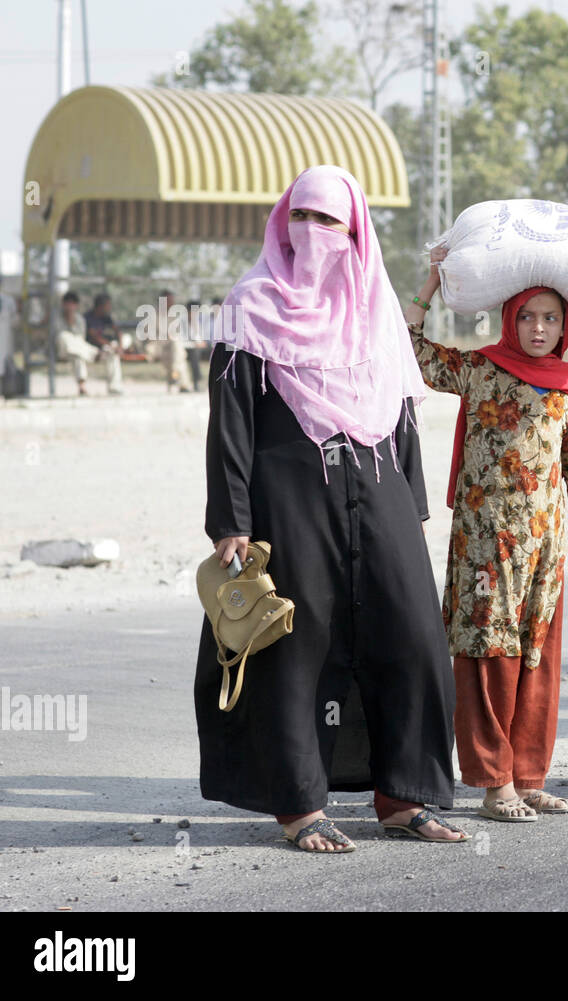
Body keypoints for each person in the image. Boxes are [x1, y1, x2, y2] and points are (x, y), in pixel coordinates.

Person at [196, 164, 464, 853]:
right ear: (283, 222)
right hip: (286, 493)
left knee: (412, 635)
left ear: (355, 231)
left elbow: (402, 412)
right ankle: (299, 805)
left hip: (379, 492)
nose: (314, 233)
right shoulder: (251, 305)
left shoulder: (375, 308)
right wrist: (231, 521)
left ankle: (405, 795)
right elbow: (230, 419)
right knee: (295, 645)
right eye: (302, 217)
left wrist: (412, 508)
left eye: (329, 221)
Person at [407, 249, 568, 822]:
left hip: (543, 550)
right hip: (484, 549)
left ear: (565, 326)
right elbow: (411, 353)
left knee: (536, 655)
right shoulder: (481, 369)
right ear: (511, 319)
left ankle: (529, 777)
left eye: (550, 318)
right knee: (489, 654)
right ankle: (493, 783)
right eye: (528, 316)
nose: (538, 328)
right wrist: (430, 283)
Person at [58, 291, 123, 396]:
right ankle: (94, 353)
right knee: (64, 336)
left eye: (73, 304)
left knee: (80, 354)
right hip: (62, 350)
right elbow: (92, 335)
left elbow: (80, 339)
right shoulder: (56, 317)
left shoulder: (79, 319)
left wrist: (118, 346)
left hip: (79, 350)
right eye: (68, 303)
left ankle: (114, 387)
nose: (70, 306)